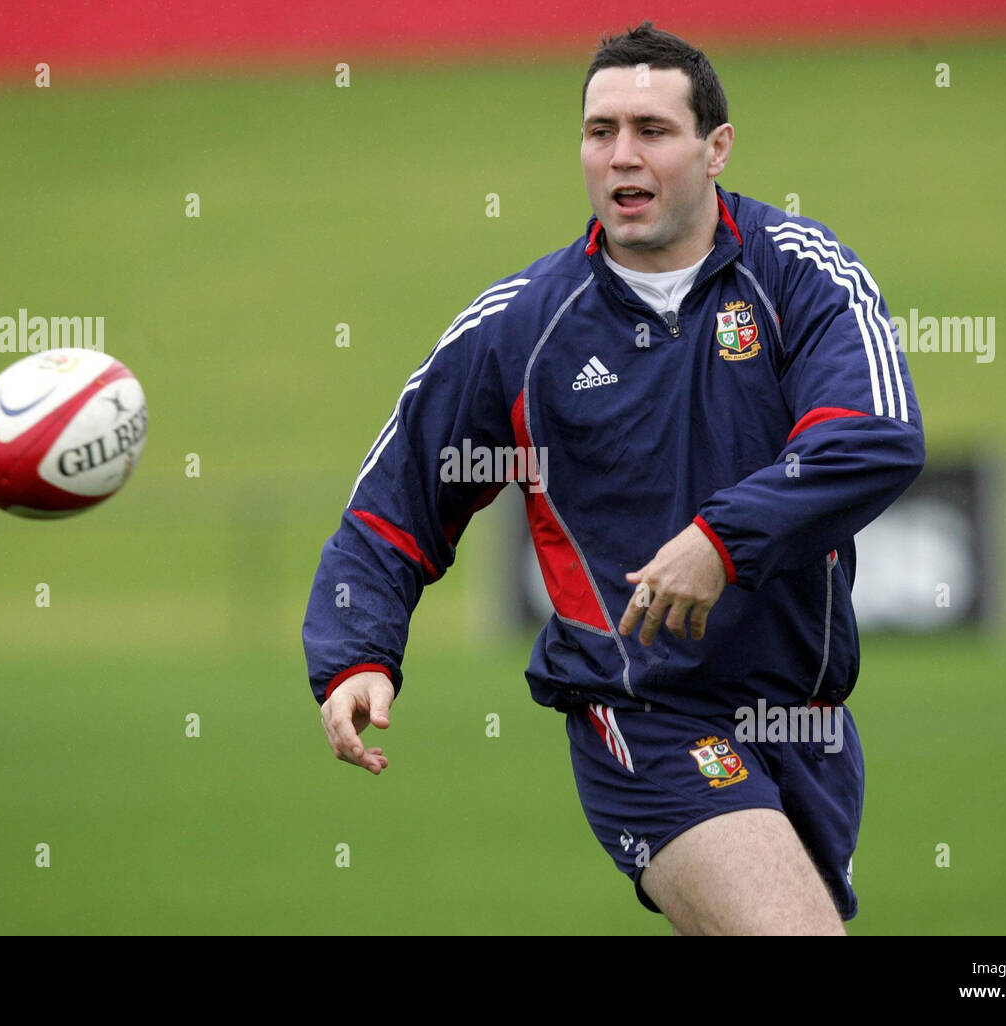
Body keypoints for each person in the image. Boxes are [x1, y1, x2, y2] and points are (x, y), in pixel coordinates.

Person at [302, 21, 924, 935]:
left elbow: (874, 437)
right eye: (601, 132)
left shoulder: (800, 274)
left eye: (652, 130)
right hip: (645, 712)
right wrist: (355, 652)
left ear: (716, 149)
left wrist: (722, 542)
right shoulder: (516, 331)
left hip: (808, 719)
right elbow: (392, 511)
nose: (622, 154)